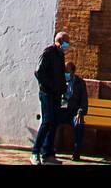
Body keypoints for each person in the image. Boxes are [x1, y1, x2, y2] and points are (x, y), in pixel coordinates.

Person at [30, 29, 70, 165]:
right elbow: (39, 72)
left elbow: (59, 74)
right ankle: (35, 152)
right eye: (66, 42)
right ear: (59, 42)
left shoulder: (60, 55)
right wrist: (51, 86)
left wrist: (63, 88)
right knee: (47, 122)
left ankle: (47, 154)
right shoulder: (49, 53)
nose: (68, 46)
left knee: (54, 123)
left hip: (57, 94)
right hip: (47, 93)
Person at [57, 59, 89, 161]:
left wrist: (80, 112)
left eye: (67, 71)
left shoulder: (79, 83)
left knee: (79, 124)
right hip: (61, 111)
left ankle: (76, 152)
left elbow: (84, 100)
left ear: (72, 71)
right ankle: (48, 150)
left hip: (74, 112)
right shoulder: (59, 81)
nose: (65, 74)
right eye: (64, 71)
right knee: (49, 122)